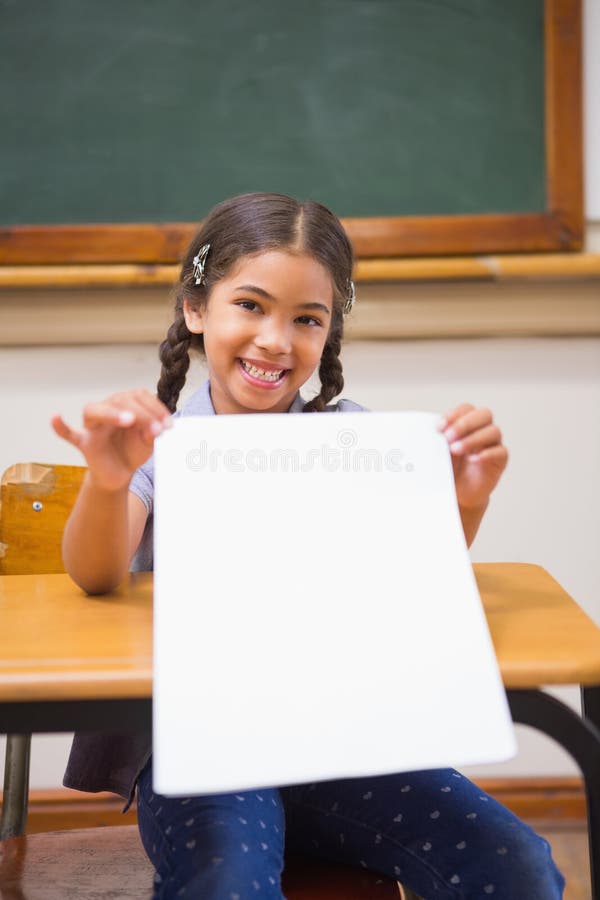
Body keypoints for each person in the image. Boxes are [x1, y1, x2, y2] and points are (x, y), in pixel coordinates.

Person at [52, 192, 564, 899]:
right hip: (204, 745)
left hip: (341, 737)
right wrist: (107, 483)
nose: (275, 340)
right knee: (229, 882)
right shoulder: (159, 441)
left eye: (307, 319)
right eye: (251, 306)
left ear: (329, 333)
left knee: (517, 863)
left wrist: (467, 497)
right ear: (196, 310)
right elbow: (97, 574)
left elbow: (415, 572)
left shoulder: (354, 438)